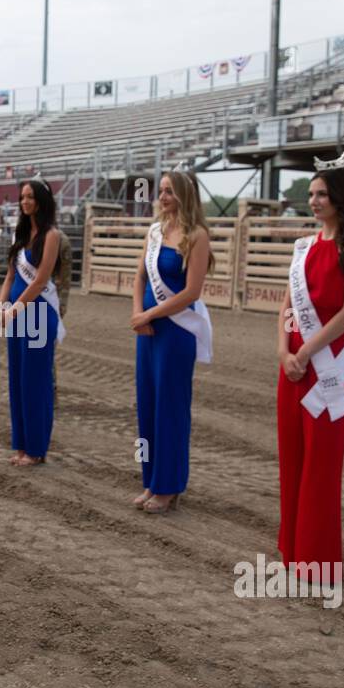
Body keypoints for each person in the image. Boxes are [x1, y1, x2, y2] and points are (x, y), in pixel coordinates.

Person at [275, 156, 344, 587]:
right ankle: (292, 550)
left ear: (340, 198)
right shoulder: (303, 248)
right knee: (292, 458)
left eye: (322, 194)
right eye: (311, 194)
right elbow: (286, 307)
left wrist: (306, 351)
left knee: (322, 464)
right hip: (292, 367)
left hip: (327, 369)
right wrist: (283, 352)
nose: (313, 201)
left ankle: (317, 558)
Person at [131, 171, 213, 514]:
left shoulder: (197, 235)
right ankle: (151, 480)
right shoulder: (155, 231)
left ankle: (169, 486)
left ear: (184, 195)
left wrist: (150, 315)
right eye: (161, 190)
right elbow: (139, 275)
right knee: (147, 406)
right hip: (147, 331)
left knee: (171, 410)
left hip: (176, 332)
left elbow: (191, 292)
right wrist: (138, 312)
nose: (163, 196)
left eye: (170, 191)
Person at [0, 179, 65, 466]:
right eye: (22, 197)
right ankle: (22, 445)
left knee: (35, 383)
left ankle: (36, 449)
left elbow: (40, 280)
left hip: (37, 314)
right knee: (18, 381)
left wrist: (14, 309)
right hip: (16, 315)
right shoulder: (21, 234)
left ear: (41, 200)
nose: (25, 202)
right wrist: (1, 306)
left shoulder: (51, 235)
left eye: (30, 197)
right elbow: (10, 276)